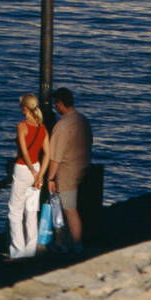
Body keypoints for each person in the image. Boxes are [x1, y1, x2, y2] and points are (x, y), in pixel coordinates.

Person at [47, 87, 92, 255]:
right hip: (82, 167)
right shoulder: (82, 120)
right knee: (71, 208)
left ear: (60, 103)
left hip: (67, 172)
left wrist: (50, 178)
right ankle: (72, 244)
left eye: (55, 104)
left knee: (69, 210)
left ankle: (76, 245)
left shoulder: (62, 126)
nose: (55, 107)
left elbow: (55, 157)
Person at [7, 93, 49, 260]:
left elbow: (24, 152)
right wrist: (40, 175)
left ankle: (18, 252)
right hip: (38, 170)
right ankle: (30, 252)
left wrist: (31, 170)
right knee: (31, 212)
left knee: (14, 212)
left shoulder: (22, 126)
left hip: (24, 169)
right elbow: (47, 153)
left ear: (24, 108)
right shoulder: (42, 128)